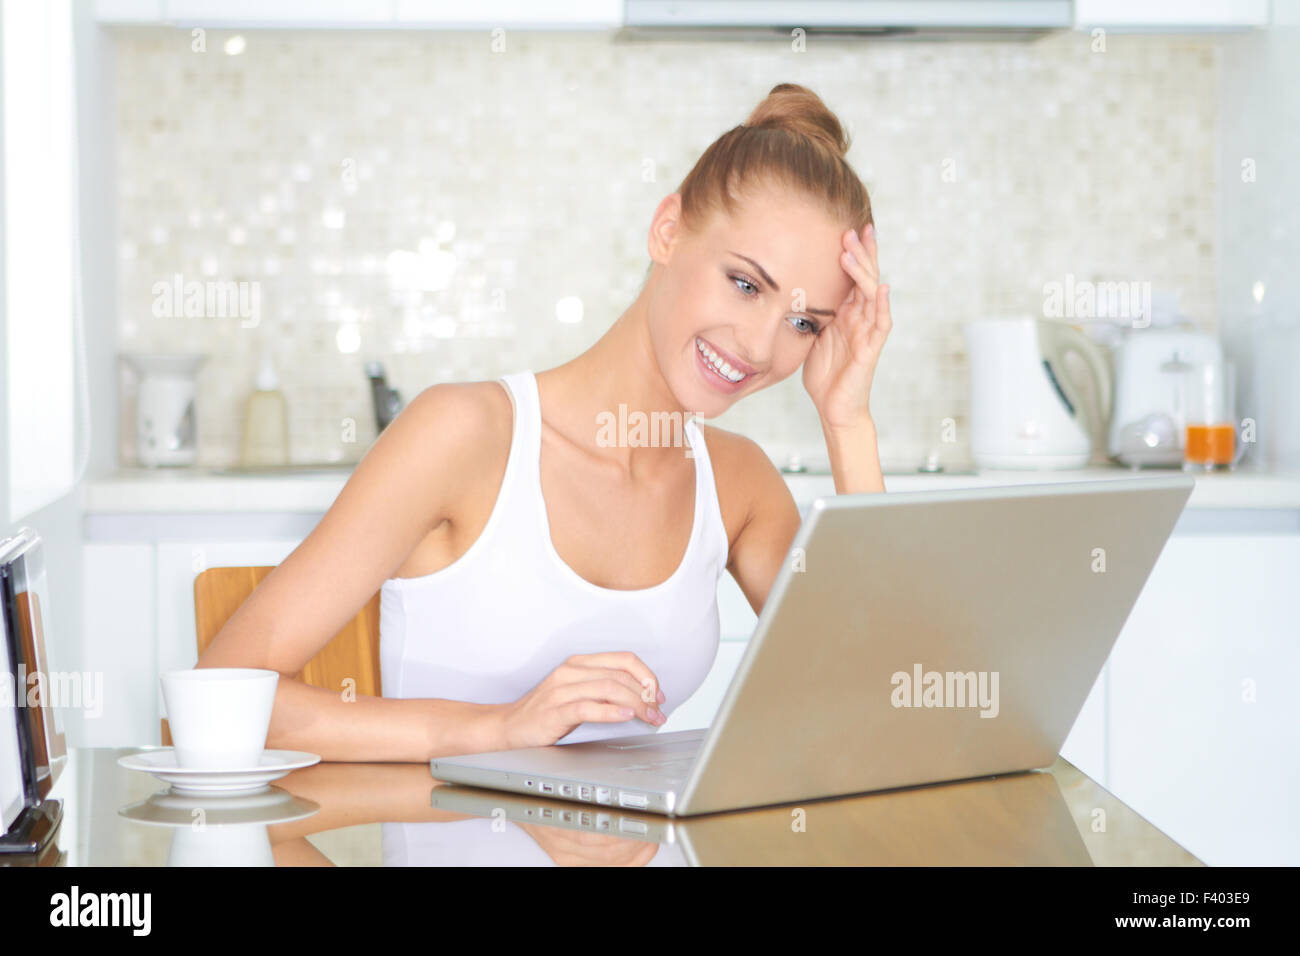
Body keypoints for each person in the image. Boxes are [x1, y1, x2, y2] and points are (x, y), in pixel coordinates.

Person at [196, 82, 892, 762]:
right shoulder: (466, 436)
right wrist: (498, 729)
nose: (761, 347)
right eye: (745, 284)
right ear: (668, 230)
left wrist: (848, 422)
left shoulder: (739, 485)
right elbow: (223, 694)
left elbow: (874, 704)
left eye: (803, 322)